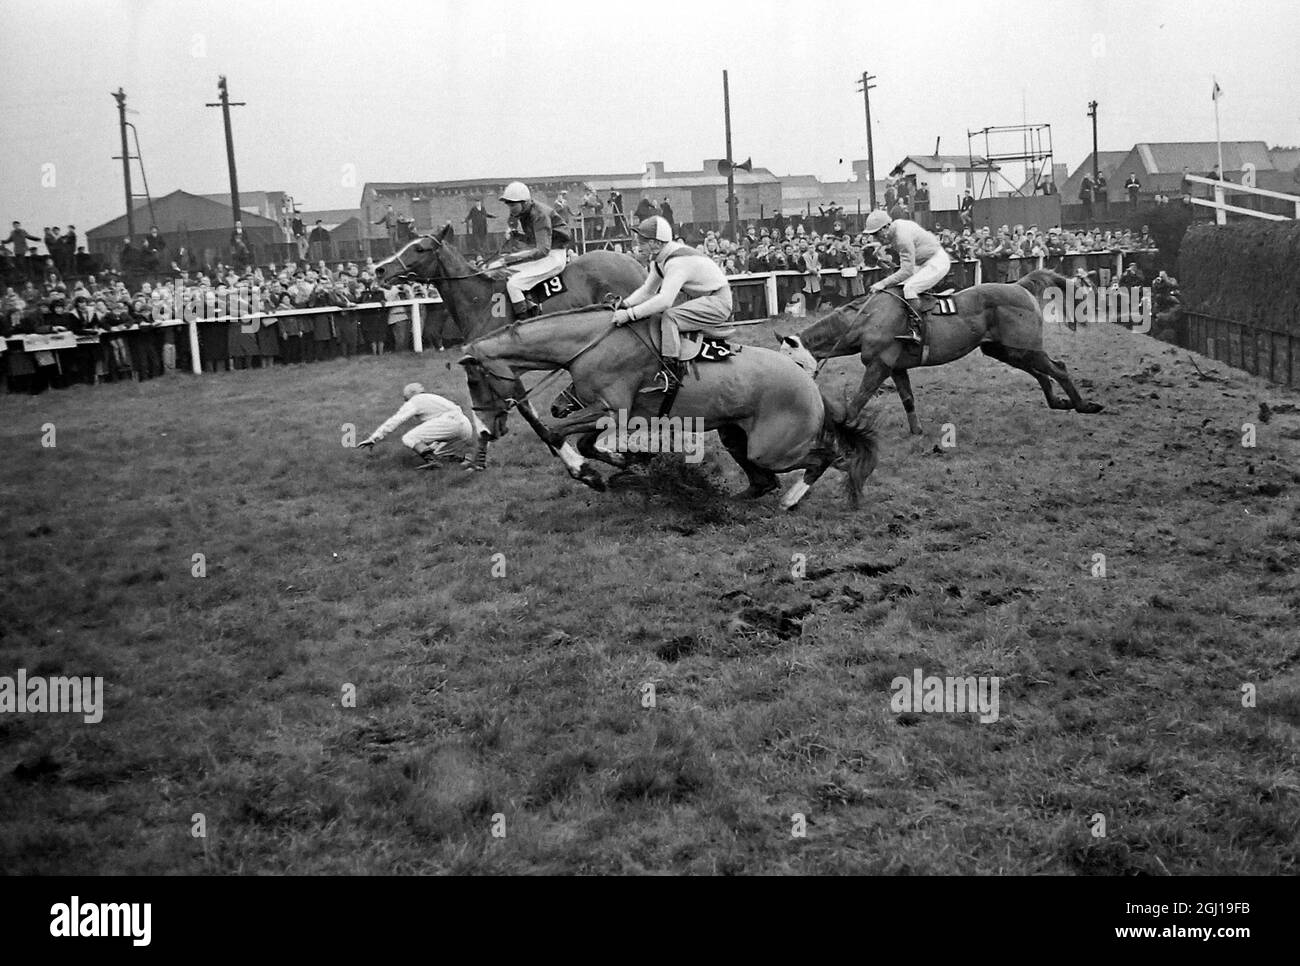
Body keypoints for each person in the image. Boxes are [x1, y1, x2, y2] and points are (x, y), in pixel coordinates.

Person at [612, 215, 734, 361]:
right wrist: (625, 304)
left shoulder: (677, 262)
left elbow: (665, 301)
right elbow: (647, 291)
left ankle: (671, 366)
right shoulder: (660, 260)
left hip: (718, 302)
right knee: (657, 315)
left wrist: (629, 314)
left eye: (642, 243)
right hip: (707, 298)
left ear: (655, 244)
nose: (638, 247)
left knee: (670, 317)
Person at [864, 210, 952, 344]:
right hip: (924, 260)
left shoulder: (902, 238)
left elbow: (907, 271)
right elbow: (891, 238)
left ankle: (919, 330)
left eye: (876, 234)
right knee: (901, 287)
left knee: (909, 289)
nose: (875, 238)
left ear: (886, 227)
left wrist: (882, 283)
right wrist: (881, 244)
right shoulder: (896, 226)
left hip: (936, 261)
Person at [492, 181, 571, 319]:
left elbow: (542, 250)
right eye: (509, 205)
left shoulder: (539, 215)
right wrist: (517, 236)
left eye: (513, 205)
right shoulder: (526, 213)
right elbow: (535, 241)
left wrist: (510, 259)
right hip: (547, 254)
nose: (510, 209)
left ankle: (526, 322)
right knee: (508, 273)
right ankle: (530, 303)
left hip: (554, 257)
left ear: (524, 203)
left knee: (514, 285)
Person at [357, 382, 475, 469]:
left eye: (405, 398)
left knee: (409, 438)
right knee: (437, 452)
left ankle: (433, 462)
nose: (405, 402)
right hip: (465, 425)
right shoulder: (433, 397)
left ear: (410, 394)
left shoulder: (415, 400)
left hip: (449, 423)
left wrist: (373, 438)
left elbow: (395, 420)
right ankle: (466, 458)